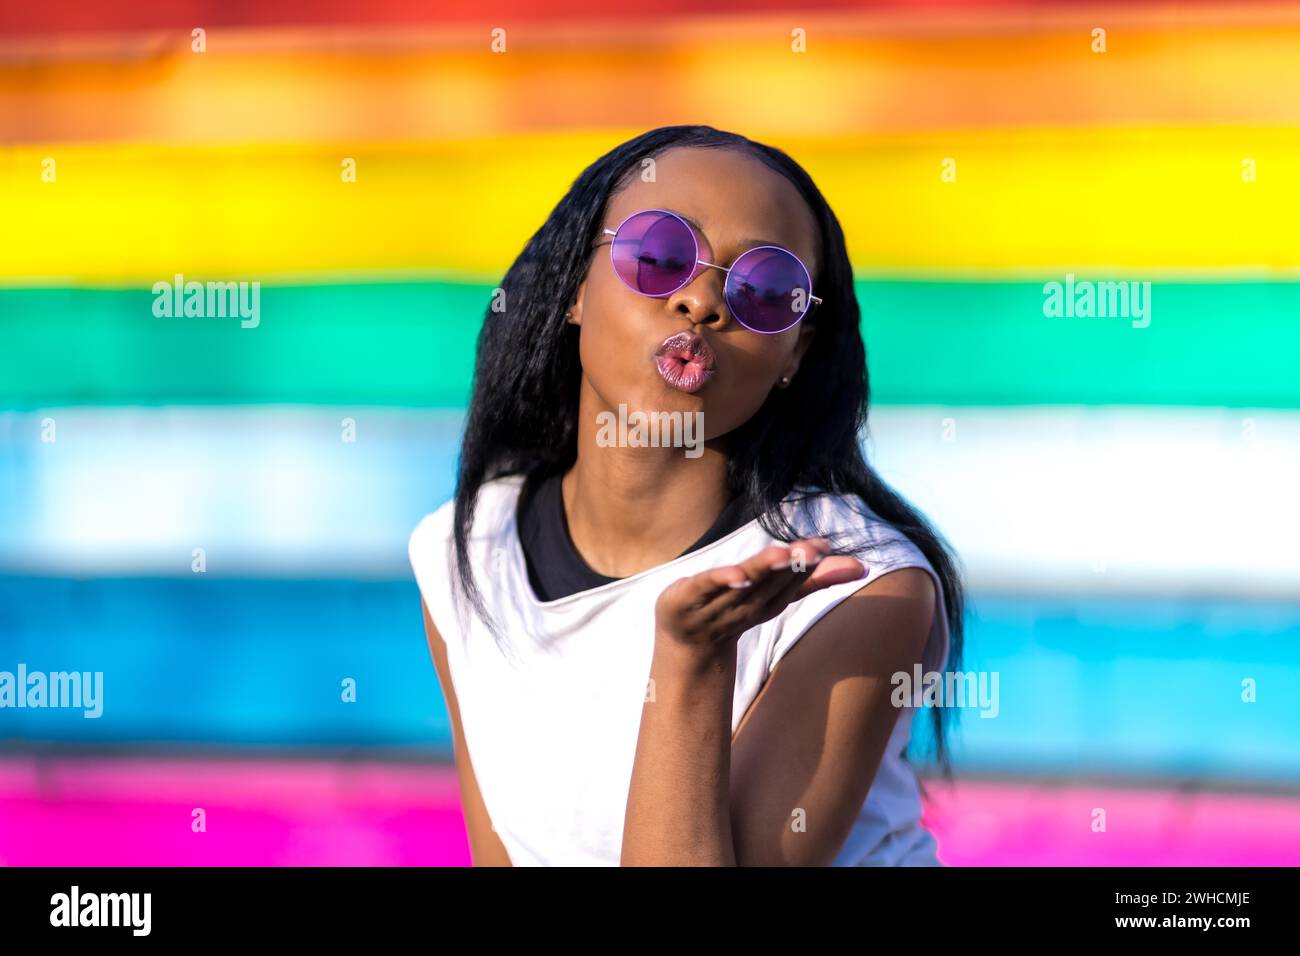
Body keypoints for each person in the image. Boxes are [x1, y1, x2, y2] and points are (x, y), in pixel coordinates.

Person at [409, 124, 965, 866]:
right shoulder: (464, 551)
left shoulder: (856, 587)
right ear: (573, 287)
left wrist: (692, 661)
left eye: (765, 290)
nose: (702, 302)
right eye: (659, 256)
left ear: (795, 351)